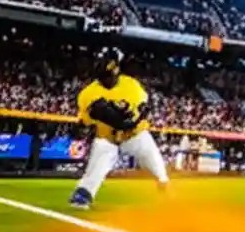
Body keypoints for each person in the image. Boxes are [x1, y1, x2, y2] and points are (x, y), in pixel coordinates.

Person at [68, 47, 170, 209]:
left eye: (109, 76)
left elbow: (137, 115)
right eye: (103, 77)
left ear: (116, 72)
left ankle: (164, 186)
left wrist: (131, 117)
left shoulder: (131, 85)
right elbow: (85, 122)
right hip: (107, 137)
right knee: (99, 162)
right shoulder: (89, 93)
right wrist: (86, 126)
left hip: (134, 135)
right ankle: (83, 193)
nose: (107, 80)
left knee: (154, 161)